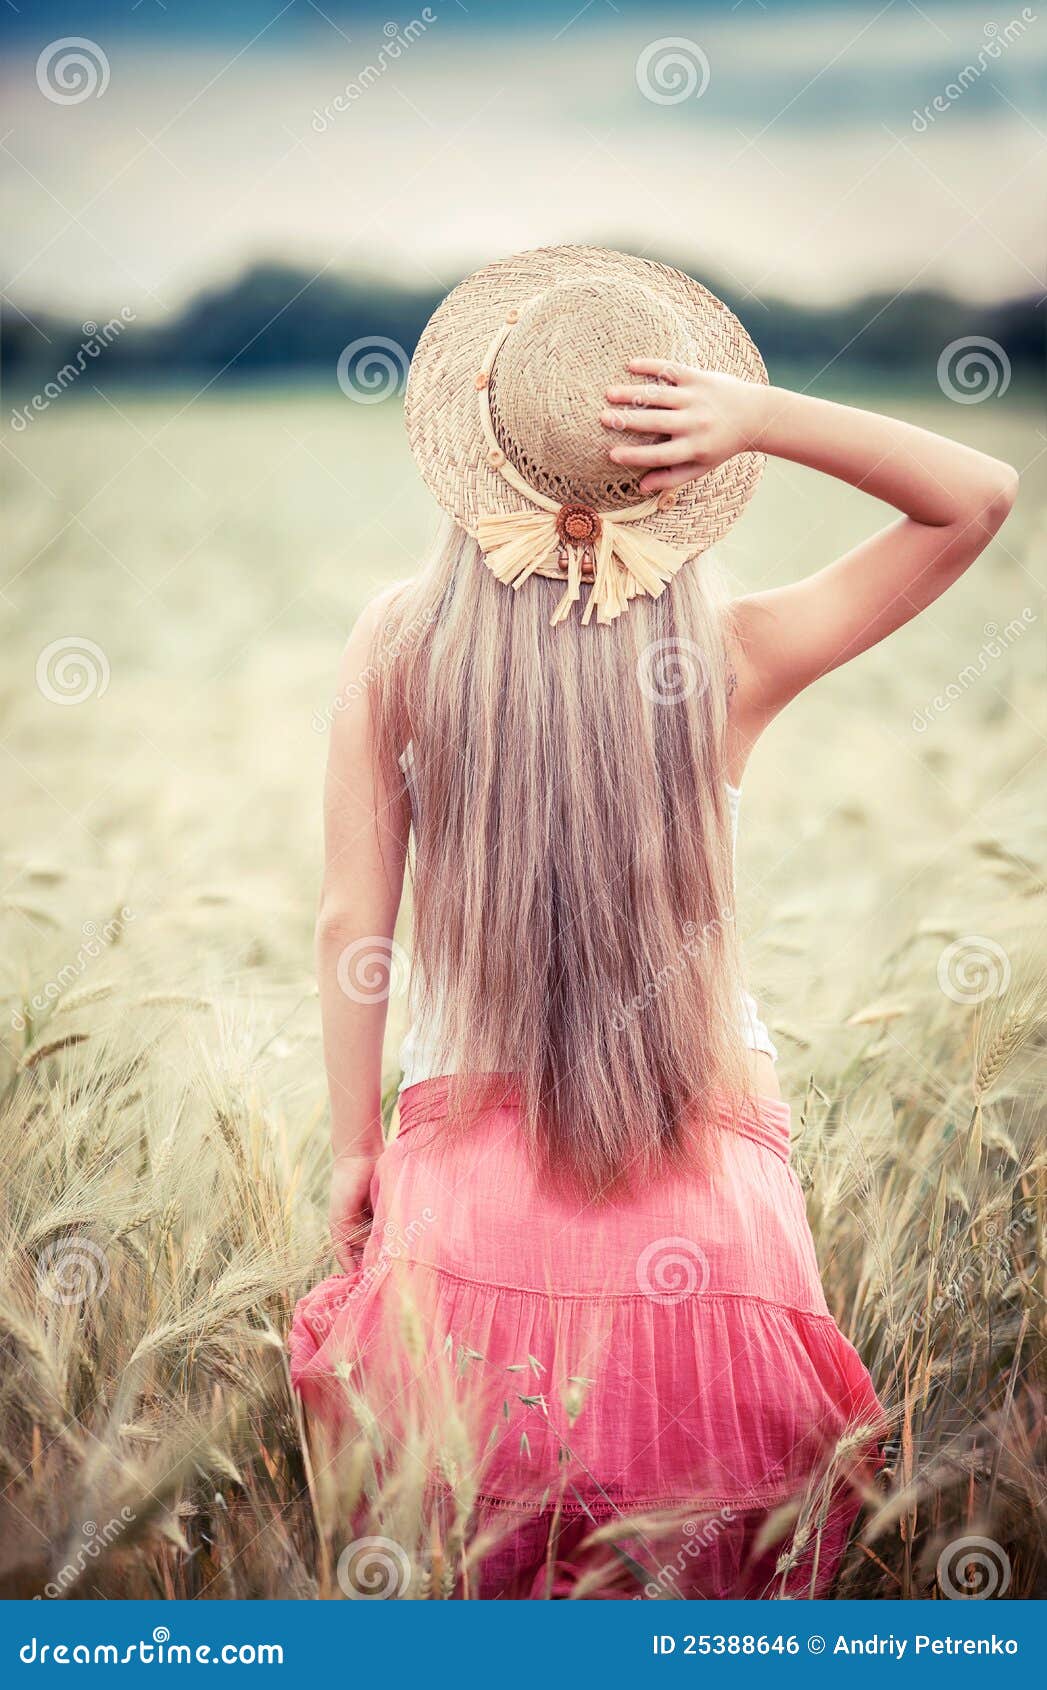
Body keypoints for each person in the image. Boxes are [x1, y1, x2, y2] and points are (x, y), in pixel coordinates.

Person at [290, 246, 1018, 1599]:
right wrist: (762, 416)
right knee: (708, 1605)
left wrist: (351, 1152)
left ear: (483, 451)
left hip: (466, 1195)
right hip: (711, 1200)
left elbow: (352, 918)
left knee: (481, 1594)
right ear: (674, 473)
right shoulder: (731, 652)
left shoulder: (398, 642)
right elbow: (977, 497)